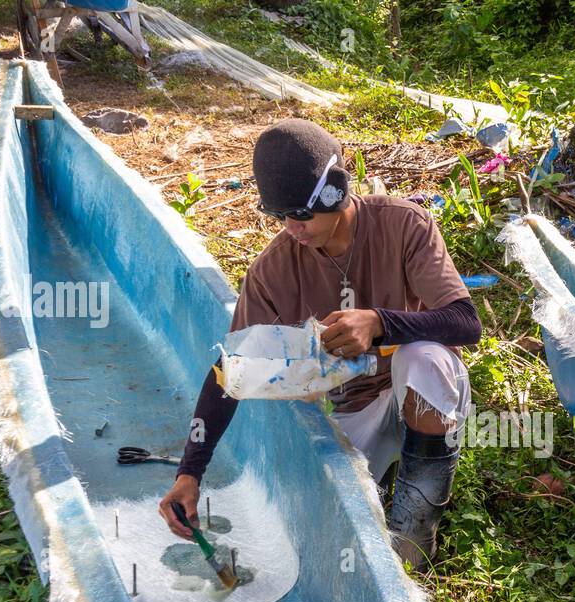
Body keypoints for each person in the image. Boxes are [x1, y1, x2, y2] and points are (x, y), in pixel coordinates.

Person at [158, 119, 480, 569]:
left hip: (415, 392)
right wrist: (189, 473)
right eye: (280, 216)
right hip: (352, 410)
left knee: (426, 358)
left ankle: (414, 534)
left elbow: (465, 324)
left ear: (336, 193)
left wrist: (379, 322)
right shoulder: (273, 270)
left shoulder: (404, 225)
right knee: (312, 529)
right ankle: (382, 475)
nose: (293, 228)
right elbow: (230, 371)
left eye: (303, 214)